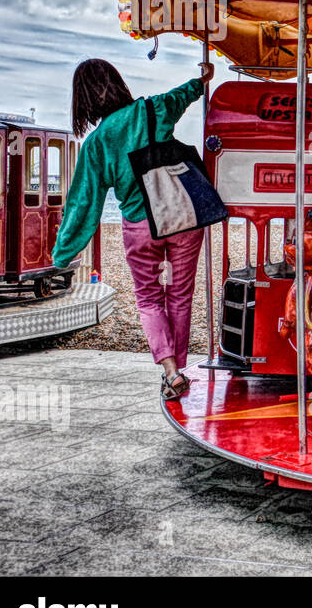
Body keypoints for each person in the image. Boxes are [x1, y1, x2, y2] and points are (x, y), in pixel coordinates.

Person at [52, 59, 214, 399]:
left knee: (150, 298)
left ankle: (170, 372)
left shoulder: (96, 143)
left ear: (83, 99)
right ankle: (179, 369)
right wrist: (202, 79)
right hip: (182, 217)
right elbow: (183, 95)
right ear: (118, 83)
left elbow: (83, 202)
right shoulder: (152, 109)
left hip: (140, 228)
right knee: (180, 296)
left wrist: (64, 251)